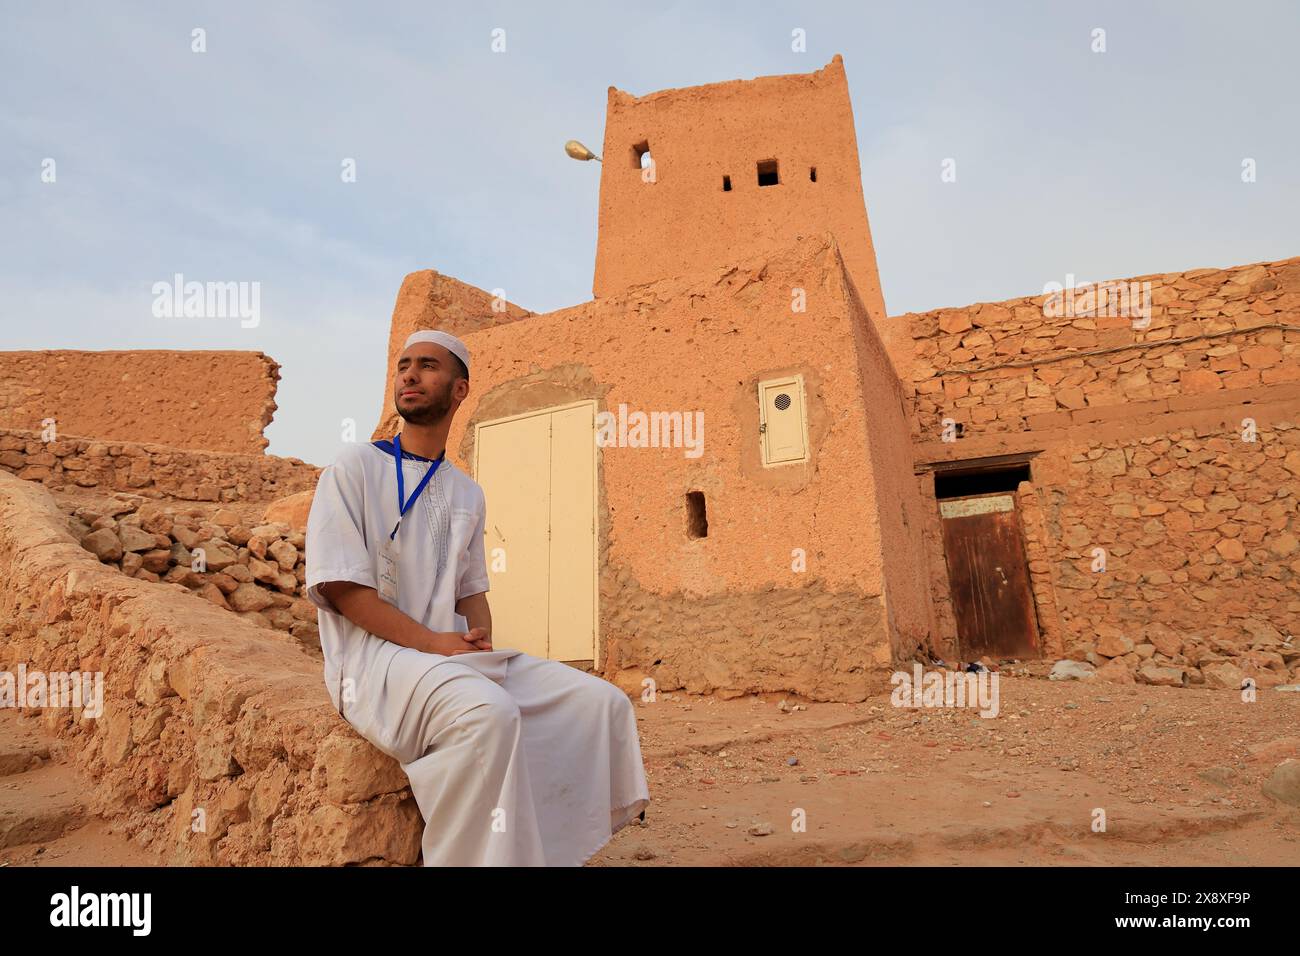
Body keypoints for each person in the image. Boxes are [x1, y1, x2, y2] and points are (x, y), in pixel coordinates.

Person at [305, 329, 650, 866]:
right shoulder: (355, 467)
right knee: (488, 716)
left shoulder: (466, 491)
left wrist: (477, 638)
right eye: (403, 365)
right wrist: (435, 644)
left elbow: (472, 591)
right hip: (373, 661)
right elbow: (345, 590)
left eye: (428, 366)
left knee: (600, 704)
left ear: (460, 389)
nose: (410, 375)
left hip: (446, 655)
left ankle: (542, 852)